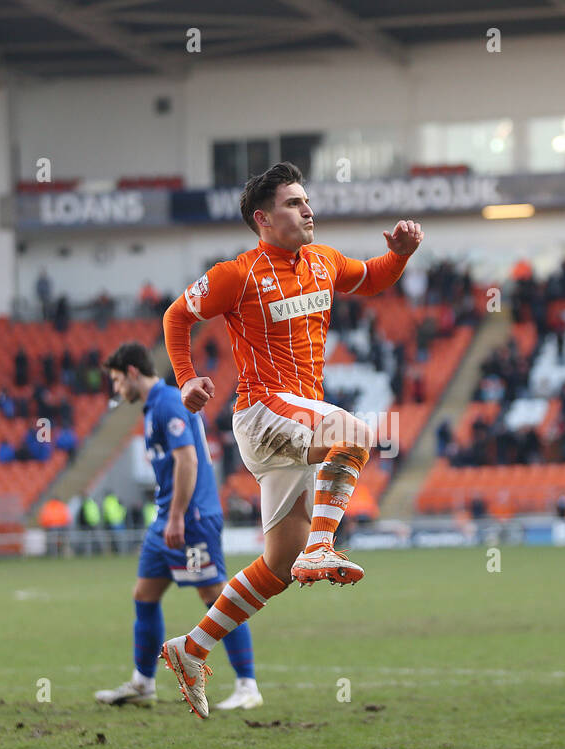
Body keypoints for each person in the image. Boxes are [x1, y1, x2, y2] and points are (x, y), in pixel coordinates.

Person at [158, 161, 422, 718]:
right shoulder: (238, 273)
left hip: (295, 424)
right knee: (354, 433)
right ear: (263, 218)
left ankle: (191, 647)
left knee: (278, 566)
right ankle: (324, 546)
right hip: (262, 410)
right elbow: (176, 317)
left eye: (307, 200)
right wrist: (186, 379)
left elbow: (370, 277)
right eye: (293, 203)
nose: (307, 210)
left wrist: (399, 253)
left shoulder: (324, 262)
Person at [93, 343, 261, 712]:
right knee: (144, 595)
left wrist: (176, 516)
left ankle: (248, 685)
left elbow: (187, 460)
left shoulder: (168, 401)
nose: (117, 390)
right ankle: (142, 683)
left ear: (133, 372)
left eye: (118, 381)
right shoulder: (155, 406)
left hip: (190, 520)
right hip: (167, 519)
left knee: (215, 599)